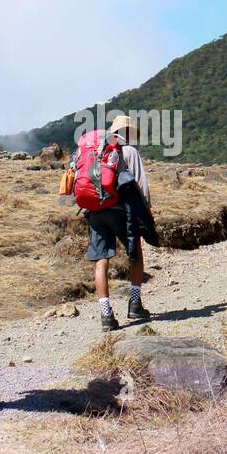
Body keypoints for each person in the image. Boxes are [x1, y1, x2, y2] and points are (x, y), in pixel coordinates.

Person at [79, 114, 155, 331]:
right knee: (135, 254)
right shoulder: (130, 151)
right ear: (127, 132)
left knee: (101, 261)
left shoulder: (96, 150)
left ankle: (106, 316)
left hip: (94, 211)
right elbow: (141, 185)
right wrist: (147, 212)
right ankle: (135, 303)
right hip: (121, 211)